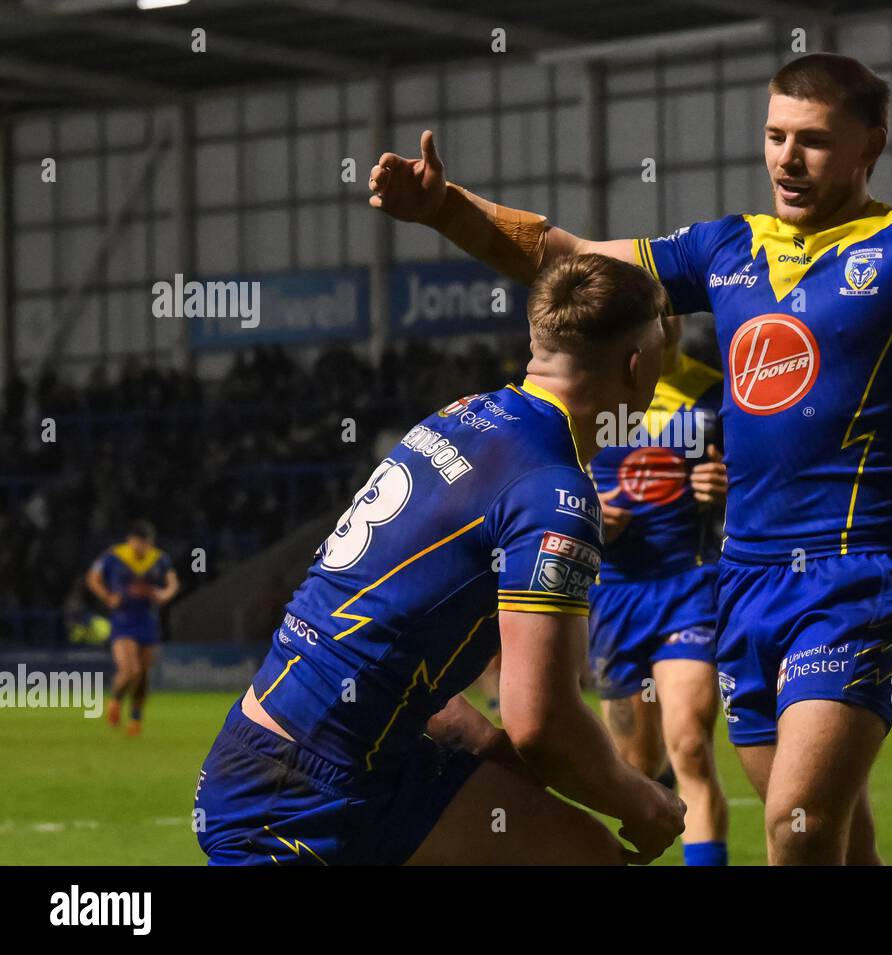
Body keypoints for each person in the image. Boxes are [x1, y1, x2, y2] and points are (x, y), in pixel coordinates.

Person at [371, 52, 892, 864]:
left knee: (796, 826)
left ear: (869, 148)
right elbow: (565, 259)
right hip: (741, 583)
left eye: (812, 140)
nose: (786, 157)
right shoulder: (728, 249)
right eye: (775, 135)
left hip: (851, 577)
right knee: (841, 843)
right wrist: (449, 209)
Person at [195, 254, 686, 865]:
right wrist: (640, 798)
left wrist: (496, 754)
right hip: (294, 797)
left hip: (321, 753)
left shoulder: (461, 418)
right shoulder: (553, 494)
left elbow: (402, 641)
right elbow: (542, 720)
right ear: (639, 366)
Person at [588, 313, 730, 865]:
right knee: (634, 769)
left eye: (664, 311)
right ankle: (658, 782)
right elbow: (551, 476)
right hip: (614, 594)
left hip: (688, 585)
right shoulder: (592, 390)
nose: (658, 324)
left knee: (692, 745)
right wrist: (589, 514)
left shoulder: (715, 392)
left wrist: (723, 487)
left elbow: (758, 477)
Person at [85, 520, 178, 735]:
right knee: (130, 670)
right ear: (130, 541)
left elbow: (172, 583)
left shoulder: (159, 559)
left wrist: (164, 594)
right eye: (139, 542)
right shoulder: (114, 556)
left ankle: (136, 717)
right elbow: (93, 578)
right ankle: (115, 700)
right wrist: (107, 596)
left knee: (144, 673)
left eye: (146, 543)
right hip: (123, 621)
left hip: (148, 621)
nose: (142, 547)